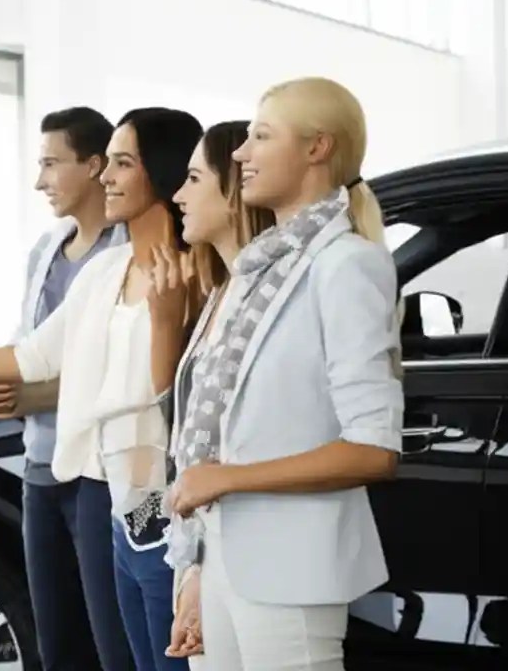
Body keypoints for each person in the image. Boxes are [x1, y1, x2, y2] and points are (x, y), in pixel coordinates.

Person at [0, 108, 205, 671]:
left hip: (158, 495)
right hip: (104, 488)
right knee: (114, 658)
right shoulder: (106, 270)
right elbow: (29, 356)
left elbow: (175, 406)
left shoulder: (199, 276)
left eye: (122, 163)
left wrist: (169, 322)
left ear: (165, 173)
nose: (106, 178)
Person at [163, 78, 403, 670]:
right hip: (224, 561)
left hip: (292, 573)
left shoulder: (347, 265)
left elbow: (373, 449)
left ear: (317, 148)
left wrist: (227, 479)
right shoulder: (258, 269)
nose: (241, 153)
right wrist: (199, 569)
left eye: (260, 136)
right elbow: (219, 425)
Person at [0, 107, 135, 671]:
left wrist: (28, 397)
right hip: (41, 466)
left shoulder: (127, 254)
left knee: (115, 645)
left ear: (94, 165)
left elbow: (116, 370)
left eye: (51, 163)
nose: (41, 180)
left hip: (99, 473)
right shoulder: (47, 249)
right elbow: (29, 346)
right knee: (58, 643)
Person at [151, 120, 277, 659]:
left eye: (193, 179)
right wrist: (192, 571)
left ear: (233, 192)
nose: (178, 195)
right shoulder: (220, 293)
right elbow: (186, 432)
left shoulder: (266, 297)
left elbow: (240, 440)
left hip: (252, 553)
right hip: (206, 551)